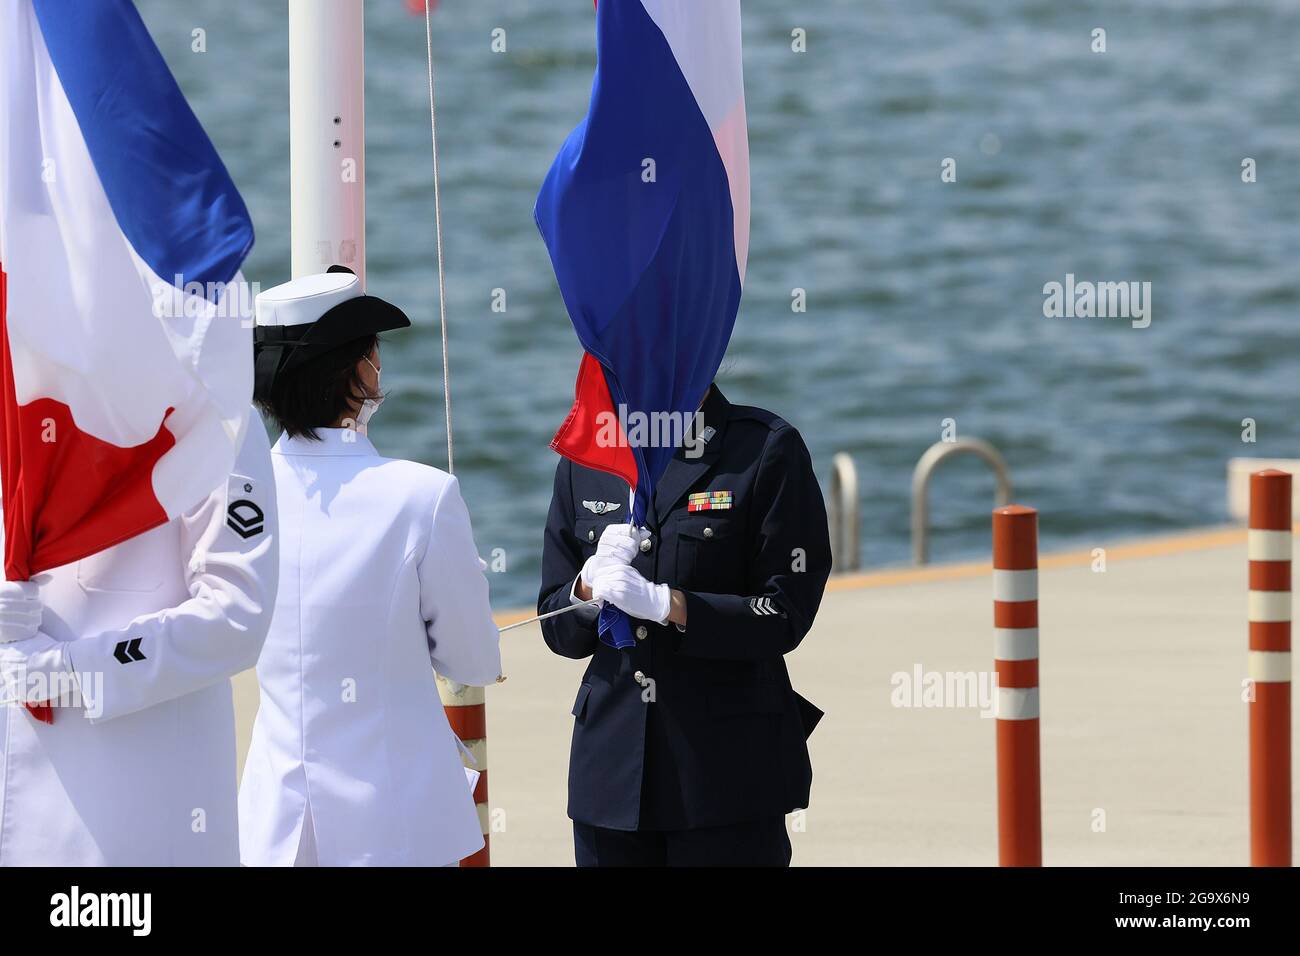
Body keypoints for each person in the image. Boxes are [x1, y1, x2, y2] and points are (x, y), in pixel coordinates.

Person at [238, 269, 501, 867]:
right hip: (396, 826)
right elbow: (474, 660)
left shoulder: (239, 496)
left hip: (274, 826)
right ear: (357, 372)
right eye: (372, 350)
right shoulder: (421, 497)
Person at [538, 383, 831, 866]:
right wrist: (585, 591)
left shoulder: (762, 447)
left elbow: (785, 613)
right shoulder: (588, 454)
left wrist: (671, 605)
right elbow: (558, 628)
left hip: (724, 775)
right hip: (611, 775)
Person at [0, 420, 278, 865]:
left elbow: (235, 617)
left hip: (136, 809)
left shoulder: (216, 413)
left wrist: (69, 673)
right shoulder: (16, 398)